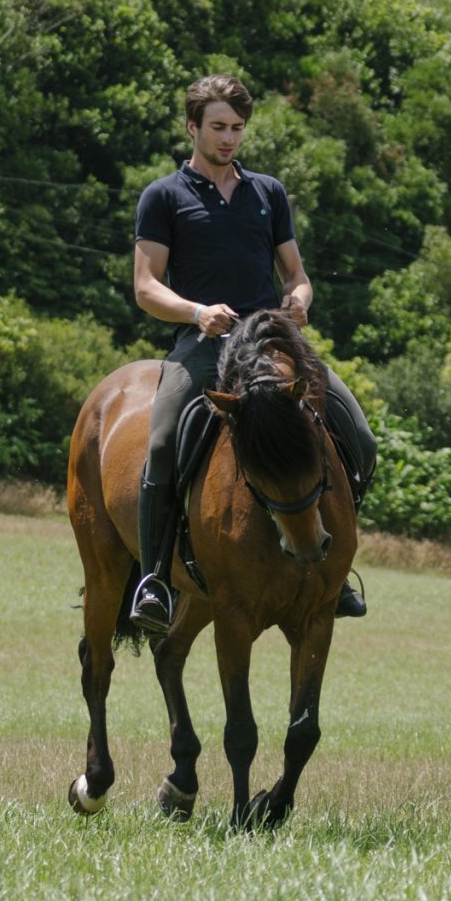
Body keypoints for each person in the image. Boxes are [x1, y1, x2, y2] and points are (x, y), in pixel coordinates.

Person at [126, 74, 379, 635]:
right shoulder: (164, 196)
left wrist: (299, 300)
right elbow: (146, 287)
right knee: (163, 442)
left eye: (237, 128)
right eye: (218, 127)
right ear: (192, 126)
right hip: (204, 343)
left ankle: (335, 572)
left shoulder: (268, 192)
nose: (229, 138)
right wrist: (195, 312)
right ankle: (154, 583)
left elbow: (297, 274)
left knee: (358, 437)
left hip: (270, 343)